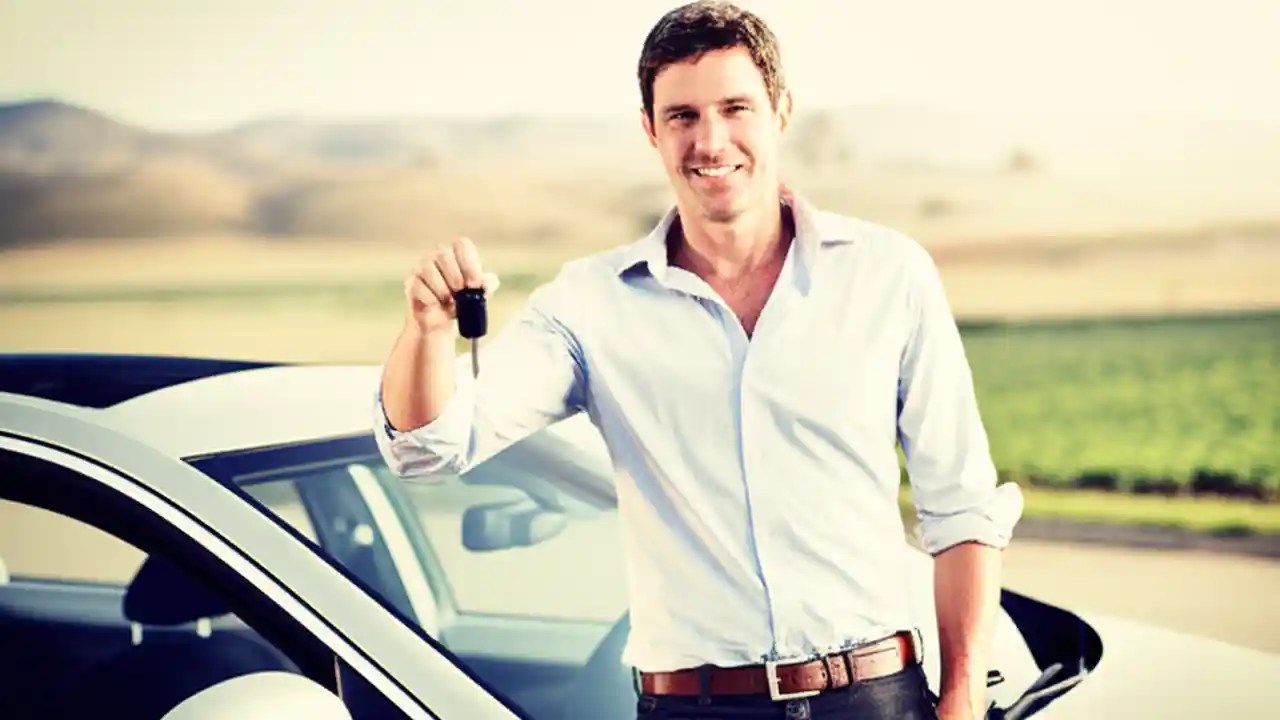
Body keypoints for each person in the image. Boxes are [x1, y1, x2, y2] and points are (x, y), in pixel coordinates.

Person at [375, 2, 1022, 718]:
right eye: (682, 116)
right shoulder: (589, 304)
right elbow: (429, 450)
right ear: (651, 130)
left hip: (873, 698)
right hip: (696, 708)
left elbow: (960, 506)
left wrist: (961, 701)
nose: (710, 142)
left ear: (780, 111)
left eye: (735, 107)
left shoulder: (888, 274)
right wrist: (427, 333)